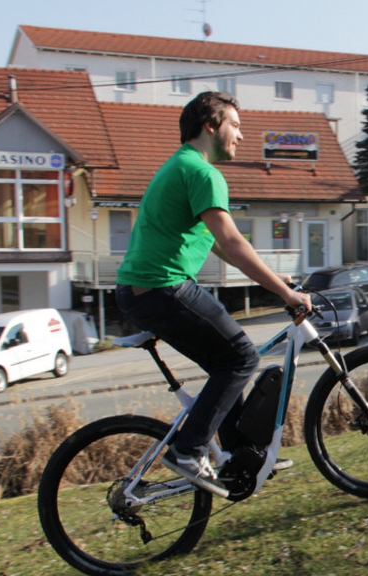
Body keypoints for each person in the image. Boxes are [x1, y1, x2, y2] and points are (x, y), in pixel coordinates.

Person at [115, 92, 311, 498]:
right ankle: (188, 450)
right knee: (242, 357)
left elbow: (219, 246)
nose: (240, 135)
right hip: (160, 285)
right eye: (235, 125)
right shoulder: (202, 173)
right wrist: (287, 295)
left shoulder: (182, 167)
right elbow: (234, 242)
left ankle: (241, 456)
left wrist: (274, 278)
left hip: (145, 289)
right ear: (211, 125)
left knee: (226, 363)